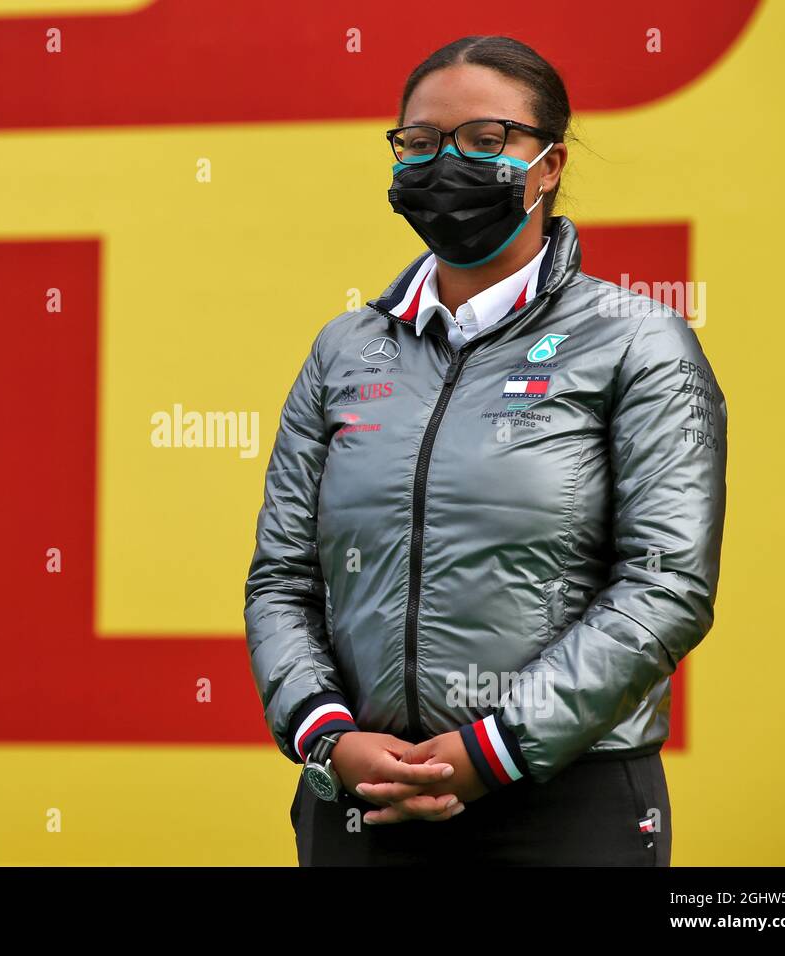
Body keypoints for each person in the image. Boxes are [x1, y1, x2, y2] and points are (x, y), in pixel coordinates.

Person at [242, 34, 728, 866]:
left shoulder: (638, 341)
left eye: (485, 140)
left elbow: (666, 583)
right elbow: (281, 577)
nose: (446, 163)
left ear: (549, 165)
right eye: (421, 143)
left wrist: (493, 750)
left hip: (565, 801)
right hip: (364, 800)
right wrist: (327, 733)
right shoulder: (344, 350)